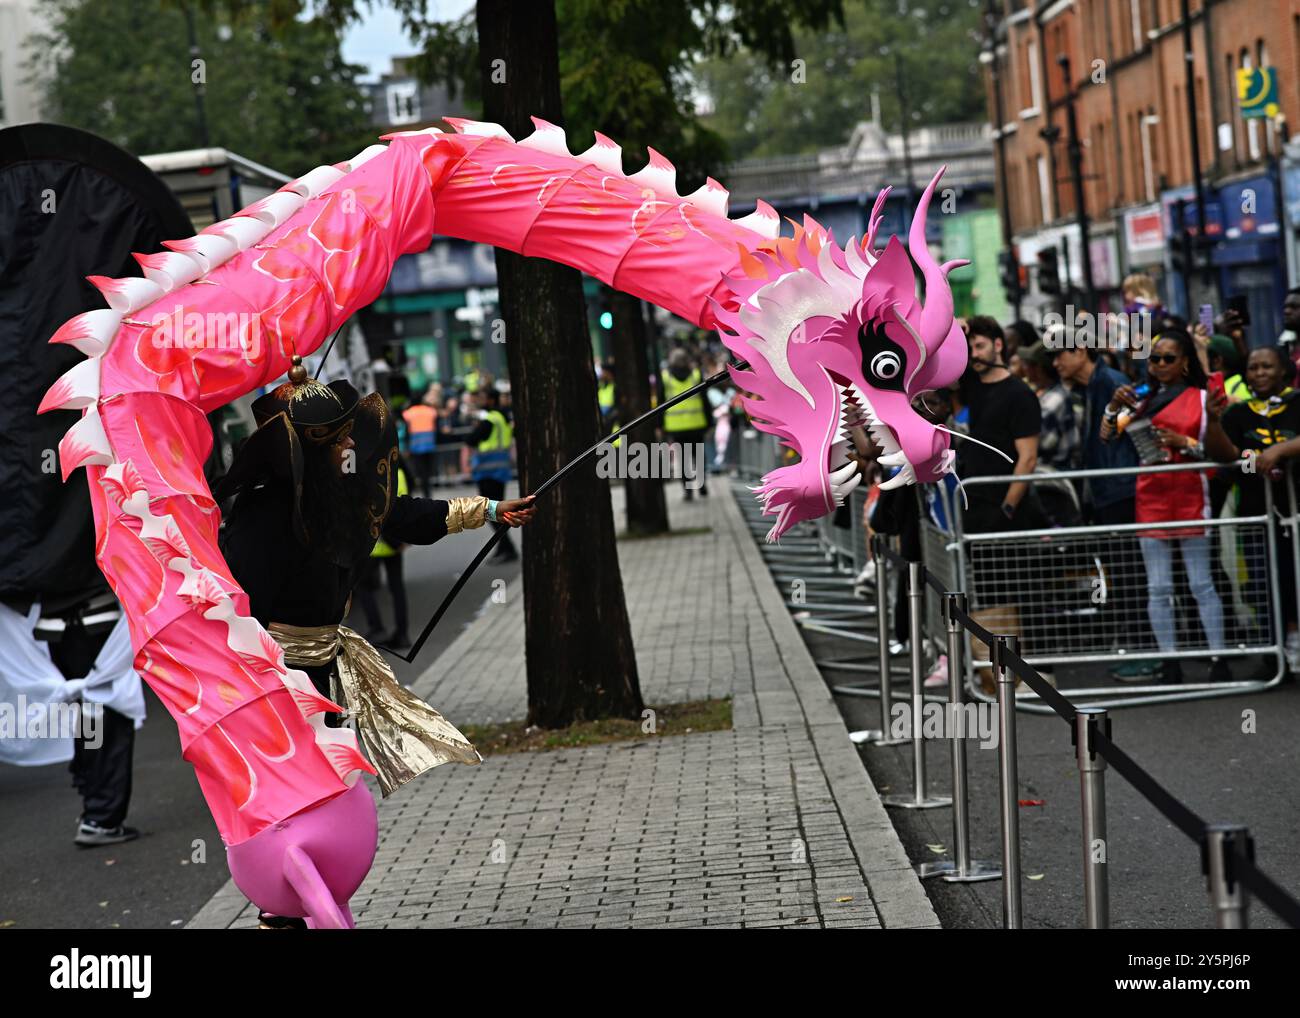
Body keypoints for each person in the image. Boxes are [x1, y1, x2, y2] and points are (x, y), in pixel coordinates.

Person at [215, 356, 536, 928]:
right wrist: (262, 686)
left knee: (332, 794)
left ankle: (312, 900)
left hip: (328, 672)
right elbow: (241, 611)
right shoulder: (264, 514)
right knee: (286, 804)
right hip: (276, 686)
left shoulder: (342, 489)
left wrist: (488, 510)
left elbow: (401, 514)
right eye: (338, 441)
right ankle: (282, 909)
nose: (350, 449)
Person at [1102, 330, 1226, 683]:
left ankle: (1219, 658)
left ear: (1185, 362)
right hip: (1151, 497)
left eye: (1167, 358)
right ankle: (1170, 661)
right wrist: (1113, 406)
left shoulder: (1205, 398)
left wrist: (1183, 442)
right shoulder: (1138, 396)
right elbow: (1108, 435)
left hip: (1190, 495)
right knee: (1158, 587)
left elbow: (1221, 453)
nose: (1158, 365)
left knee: (1200, 583)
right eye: (1153, 358)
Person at [959, 317, 1045, 692]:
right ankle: (998, 676)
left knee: (1018, 590)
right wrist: (952, 330)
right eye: (970, 347)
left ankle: (1025, 674)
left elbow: (1027, 458)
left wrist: (1007, 508)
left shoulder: (1019, 394)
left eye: (980, 346)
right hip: (973, 507)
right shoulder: (969, 388)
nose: (974, 354)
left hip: (1008, 511)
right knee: (987, 592)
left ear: (998, 345)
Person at [1205, 346, 1300, 669]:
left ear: (1284, 371)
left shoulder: (1297, 403)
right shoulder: (1237, 413)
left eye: (1267, 367)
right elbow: (1223, 455)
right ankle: (1276, 654)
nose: (1259, 373)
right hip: (1257, 513)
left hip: (1295, 512)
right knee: (1263, 581)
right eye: (1253, 367)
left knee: (1295, 577)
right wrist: (1214, 421)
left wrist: (1281, 449)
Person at [356, 462, 413, 649]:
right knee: (397, 587)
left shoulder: (369, 473)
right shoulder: (400, 472)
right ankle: (402, 633)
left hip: (374, 543)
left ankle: (377, 628)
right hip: (396, 541)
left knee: (363, 586)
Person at [464, 386, 520, 562]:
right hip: (499, 471)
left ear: (491, 400)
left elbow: (471, 439)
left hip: (488, 472)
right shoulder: (502, 418)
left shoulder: (490, 419)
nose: (479, 400)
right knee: (497, 513)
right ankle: (504, 547)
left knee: (490, 512)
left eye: (482, 397)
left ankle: (508, 548)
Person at [661, 348, 710, 499]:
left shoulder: (665, 377)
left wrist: (660, 425)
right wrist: (709, 422)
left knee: (682, 459)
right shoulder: (695, 374)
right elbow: (704, 400)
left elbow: (661, 404)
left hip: (676, 427)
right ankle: (701, 485)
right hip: (697, 424)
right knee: (699, 456)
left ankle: (687, 490)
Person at [402, 393, 438, 498]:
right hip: (430, 445)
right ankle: (428, 492)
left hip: (416, 447)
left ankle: (425, 492)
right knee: (428, 471)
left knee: (421, 473)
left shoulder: (408, 413)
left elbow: (407, 432)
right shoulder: (431, 411)